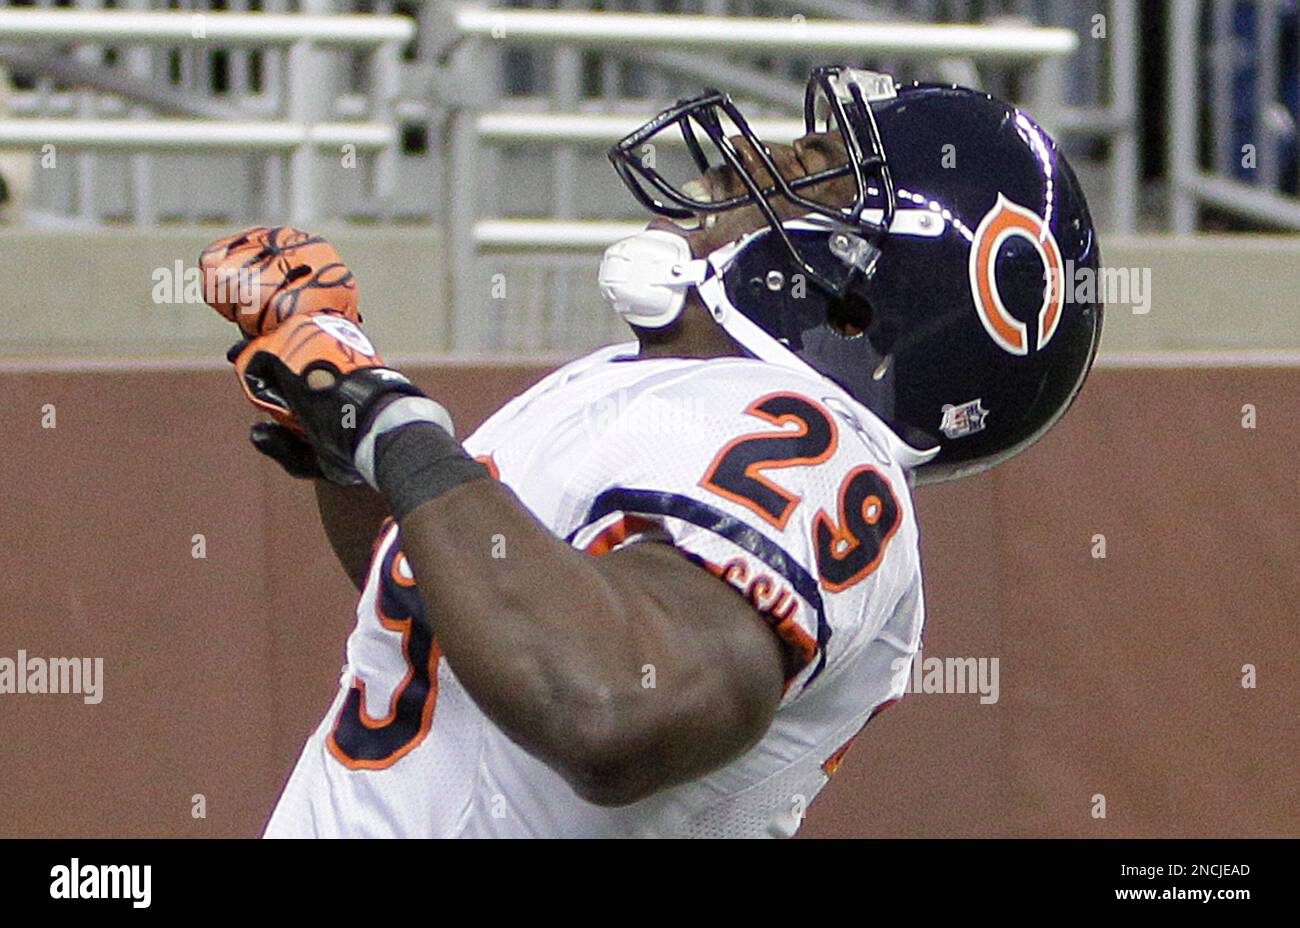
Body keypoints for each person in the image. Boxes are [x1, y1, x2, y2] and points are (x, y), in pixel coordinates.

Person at [200, 67, 1102, 838]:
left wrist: (389, 425)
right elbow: (463, 622)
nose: (748, 160)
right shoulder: (657, 387)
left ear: (877, 282)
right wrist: (342, 432)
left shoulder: (819, 455)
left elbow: (614, 709)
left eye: (816, 169)